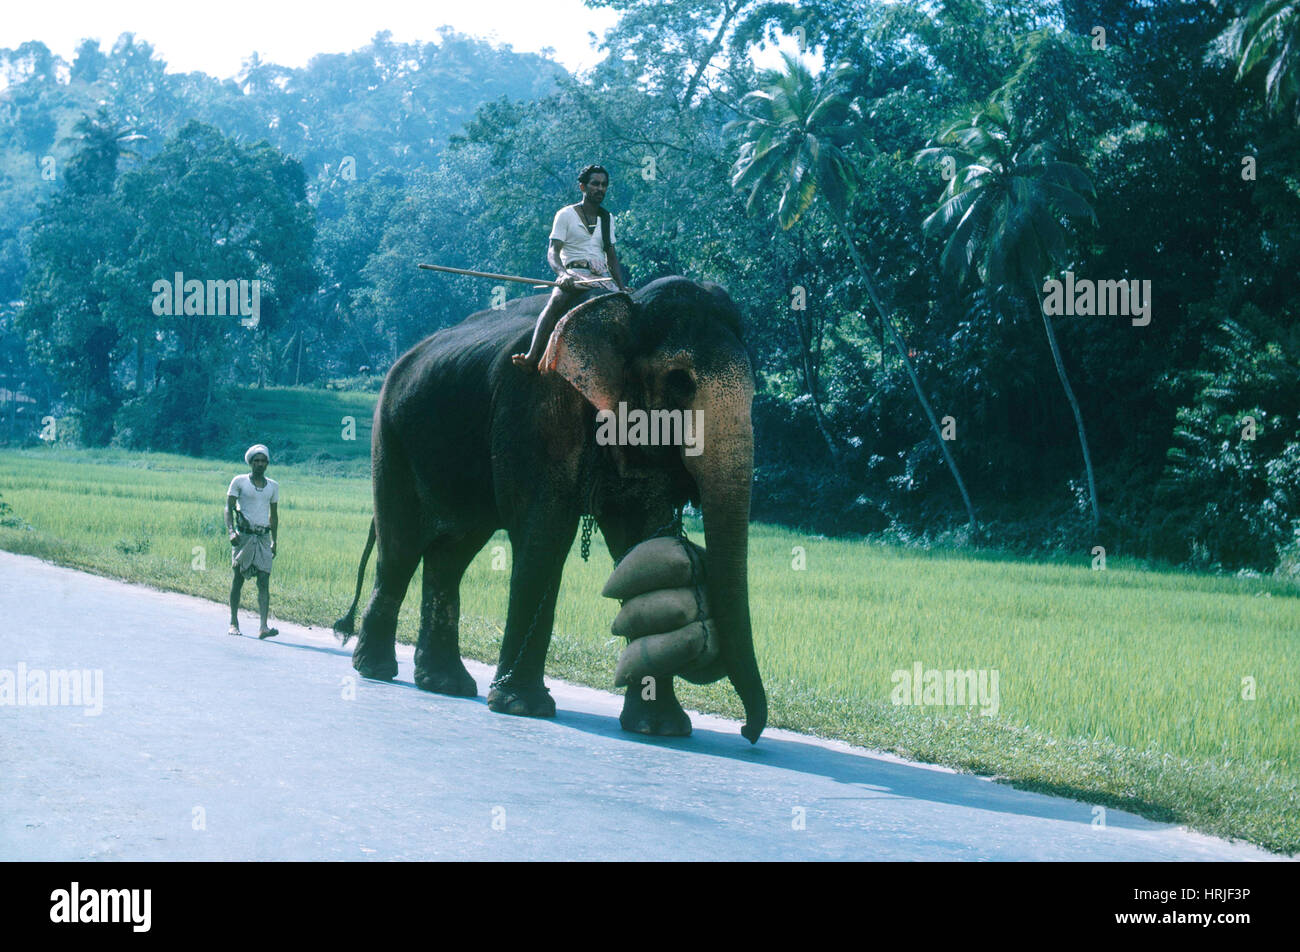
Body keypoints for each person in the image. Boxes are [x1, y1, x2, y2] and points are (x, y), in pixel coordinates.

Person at [512, 164, 630, 371]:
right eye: (595, 184)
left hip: (601, 276)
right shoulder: (565, 215)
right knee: (556, 301)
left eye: (603, 185)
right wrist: (562, 274)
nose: (600, 189)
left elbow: (612, 256)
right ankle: (532, 355)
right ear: (582, 187)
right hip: (574, 273)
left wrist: (621, 287)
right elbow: (552, 251)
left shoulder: (607, 218)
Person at [226, 444, 279, 638]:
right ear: (250, 462)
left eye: (263, 461)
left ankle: (263, 626)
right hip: (244, 537)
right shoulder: (239, 482)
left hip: (263, 537)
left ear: (267, 463)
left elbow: (274, 516)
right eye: (256, 461)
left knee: (264, 580)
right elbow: (228, 508)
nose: (260, 464)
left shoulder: (273, 486)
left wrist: (275, 541)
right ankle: (233, 622)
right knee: (238, 578)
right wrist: (231, 531)